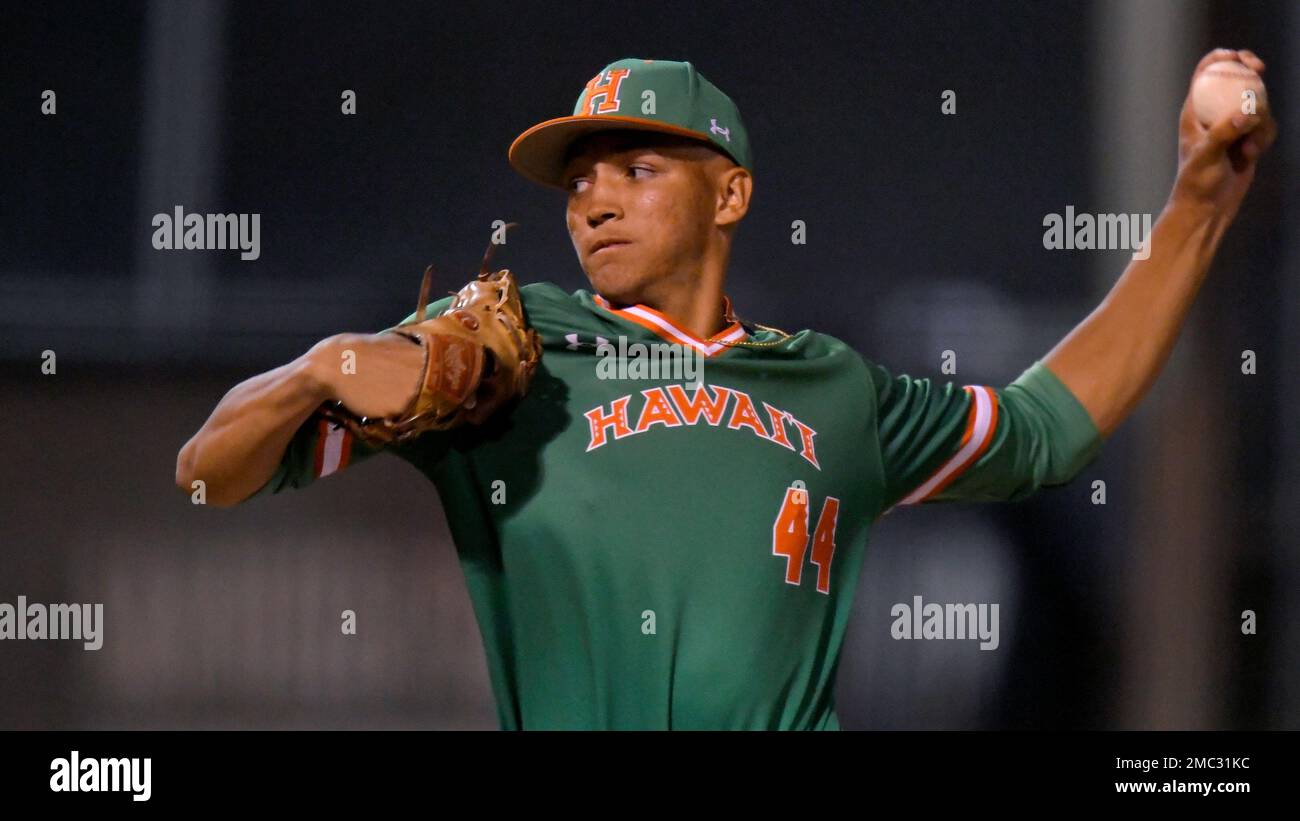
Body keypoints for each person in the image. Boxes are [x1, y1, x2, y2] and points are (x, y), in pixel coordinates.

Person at [176, 54, 1276, 729]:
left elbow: (1046, 426)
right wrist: (317, 367)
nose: (592, 198)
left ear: (731, 192)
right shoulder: (512, 356)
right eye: (579, 177)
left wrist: (1194, 205)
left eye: (636, 166)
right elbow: (208, 478)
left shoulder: (832, 388)